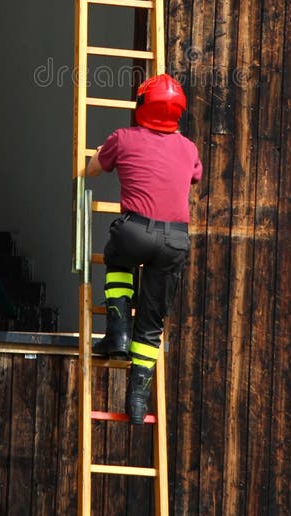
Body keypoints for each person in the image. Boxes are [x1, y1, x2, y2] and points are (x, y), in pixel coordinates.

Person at [85, 73, 202, 424]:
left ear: (141, 107)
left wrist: (96, 154)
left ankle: (116, 332)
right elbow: (194, 176)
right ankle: (137, 402)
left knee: (118, 260)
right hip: (175, 241)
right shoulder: (189, 147)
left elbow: (91, 171)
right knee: (151, 324)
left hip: (134, 231)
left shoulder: (123, 138)